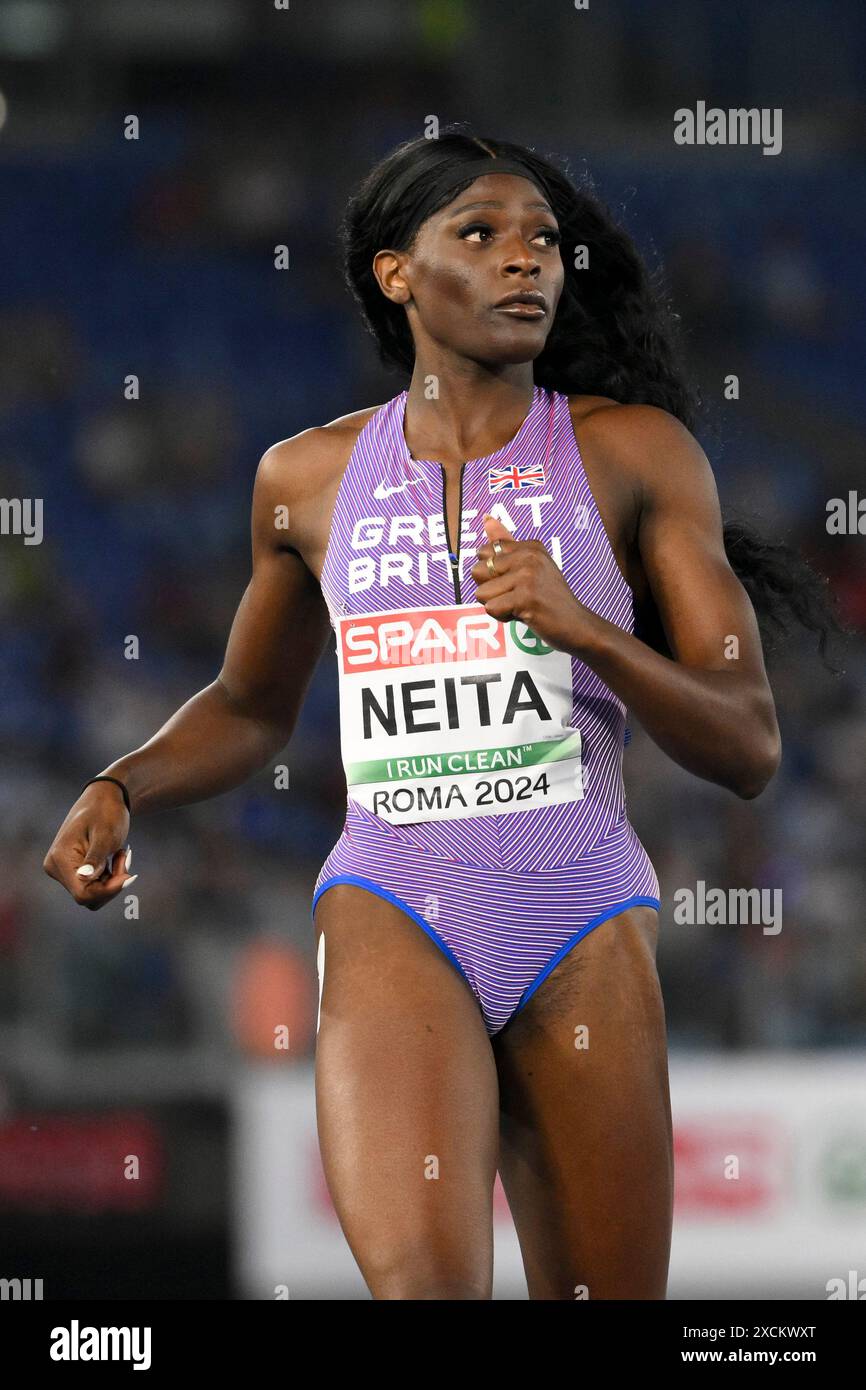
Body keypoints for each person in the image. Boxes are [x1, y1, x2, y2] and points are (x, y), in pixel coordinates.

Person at [44, 130, 838, 1300]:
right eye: (478, 234)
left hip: (580, 916)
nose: (525, 262)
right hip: (392, 908)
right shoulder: (304, 481)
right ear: (394, 273)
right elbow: (249, 707)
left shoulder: (632, 455)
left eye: (542, 242)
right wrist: (122, 785)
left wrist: (588, 630)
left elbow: (748, 746)